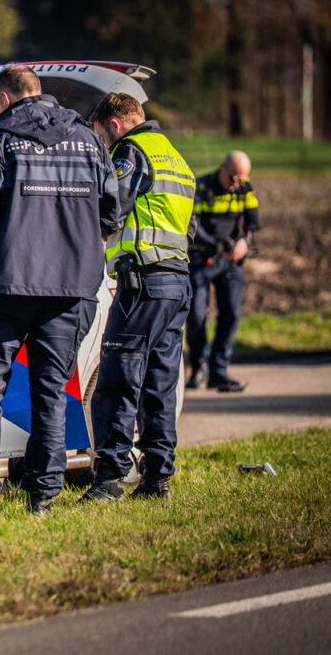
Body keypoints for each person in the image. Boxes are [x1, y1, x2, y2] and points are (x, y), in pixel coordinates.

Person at [0, 65, 120, 516]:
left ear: (4, 98)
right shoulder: (87, 139)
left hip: (7, 283)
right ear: (38, 92)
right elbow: (112, 211)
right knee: (51, 392)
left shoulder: (2, 136)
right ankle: (43, 499)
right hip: (71, 288)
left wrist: (5, 222)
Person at [81, 93, 196, 503]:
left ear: (113, 125)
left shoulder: (131, 150)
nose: (103, 147)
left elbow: (110, 209)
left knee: (117, 380)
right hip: (176, 281)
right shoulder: (174, 157)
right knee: (159, 385)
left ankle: (109, 479)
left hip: (142, 283)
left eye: (100, 136)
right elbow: (191, 228)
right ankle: (157, 480)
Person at [185, 151, 259, 392]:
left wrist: (244, 242)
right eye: (233, 177)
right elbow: (190, 225)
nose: (236, 183)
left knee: (232, 313)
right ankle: (199, 366)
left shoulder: (245, 189)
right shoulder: (202, 187)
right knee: (196, 316)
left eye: (241, 178)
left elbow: (252, 224)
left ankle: (219, 371)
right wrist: (215, 246)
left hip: (230, 262)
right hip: (201, 258)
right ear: (222, 168)